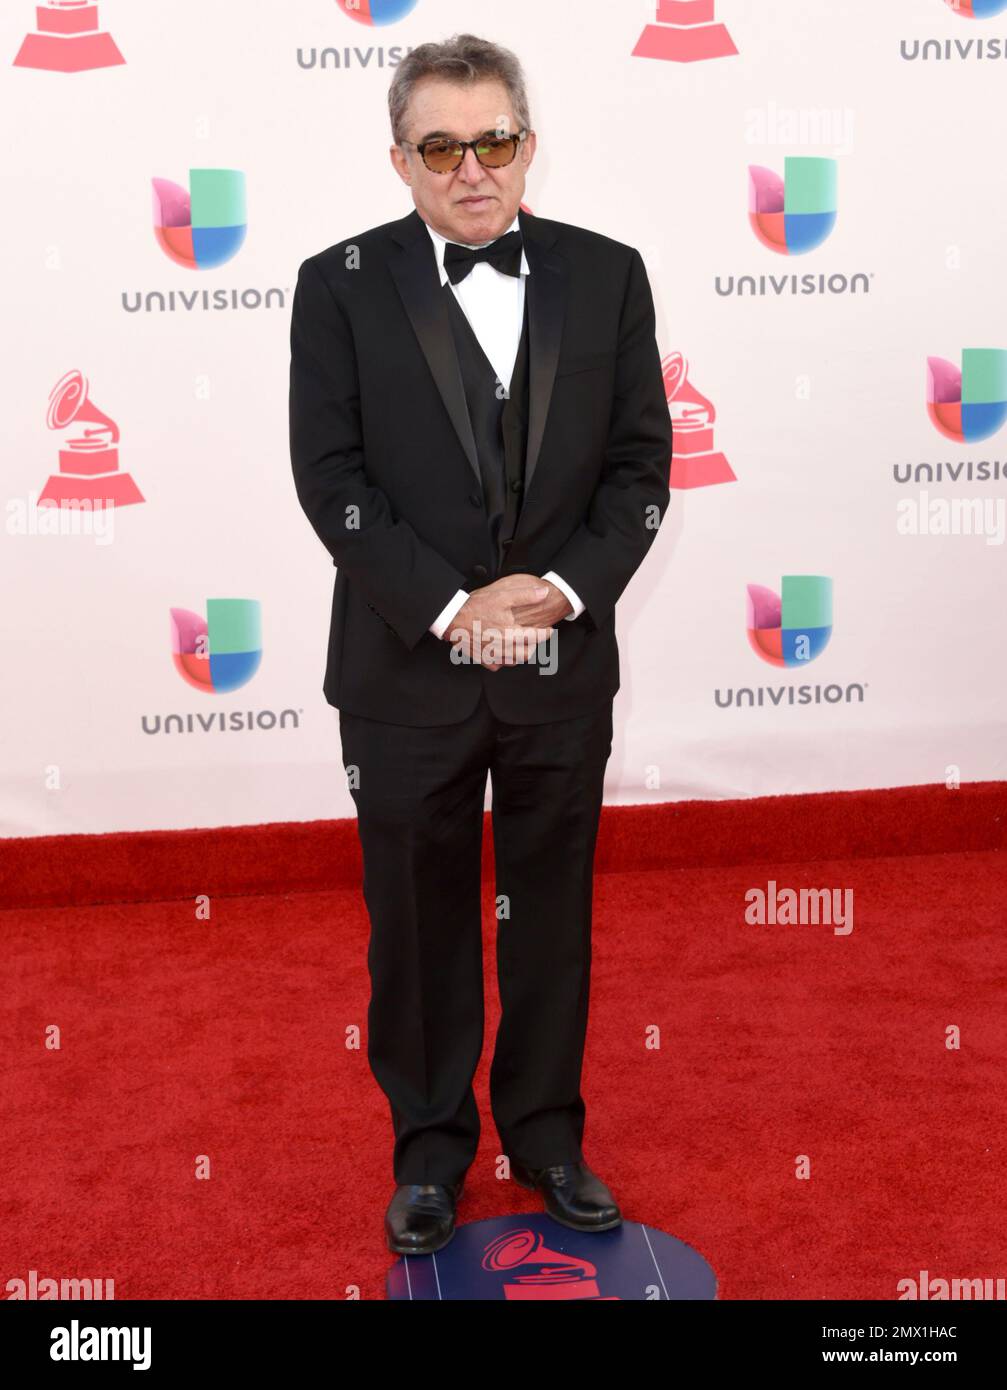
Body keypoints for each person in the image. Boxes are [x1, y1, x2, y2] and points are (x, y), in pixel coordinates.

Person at [288, 32, 672, 1256]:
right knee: (415, 922)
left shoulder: (608, 274)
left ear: (527, 144)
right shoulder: (337, 284)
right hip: (404, 668)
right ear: (399, 160)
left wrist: (555, 593)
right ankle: (427, 1153)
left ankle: (547, 1137)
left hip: (560, 666)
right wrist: (456, 609)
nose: (472, 169)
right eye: (441, 147)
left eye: (493, 140)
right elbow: (331, 479)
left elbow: (640, 470)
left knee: (550, 911)